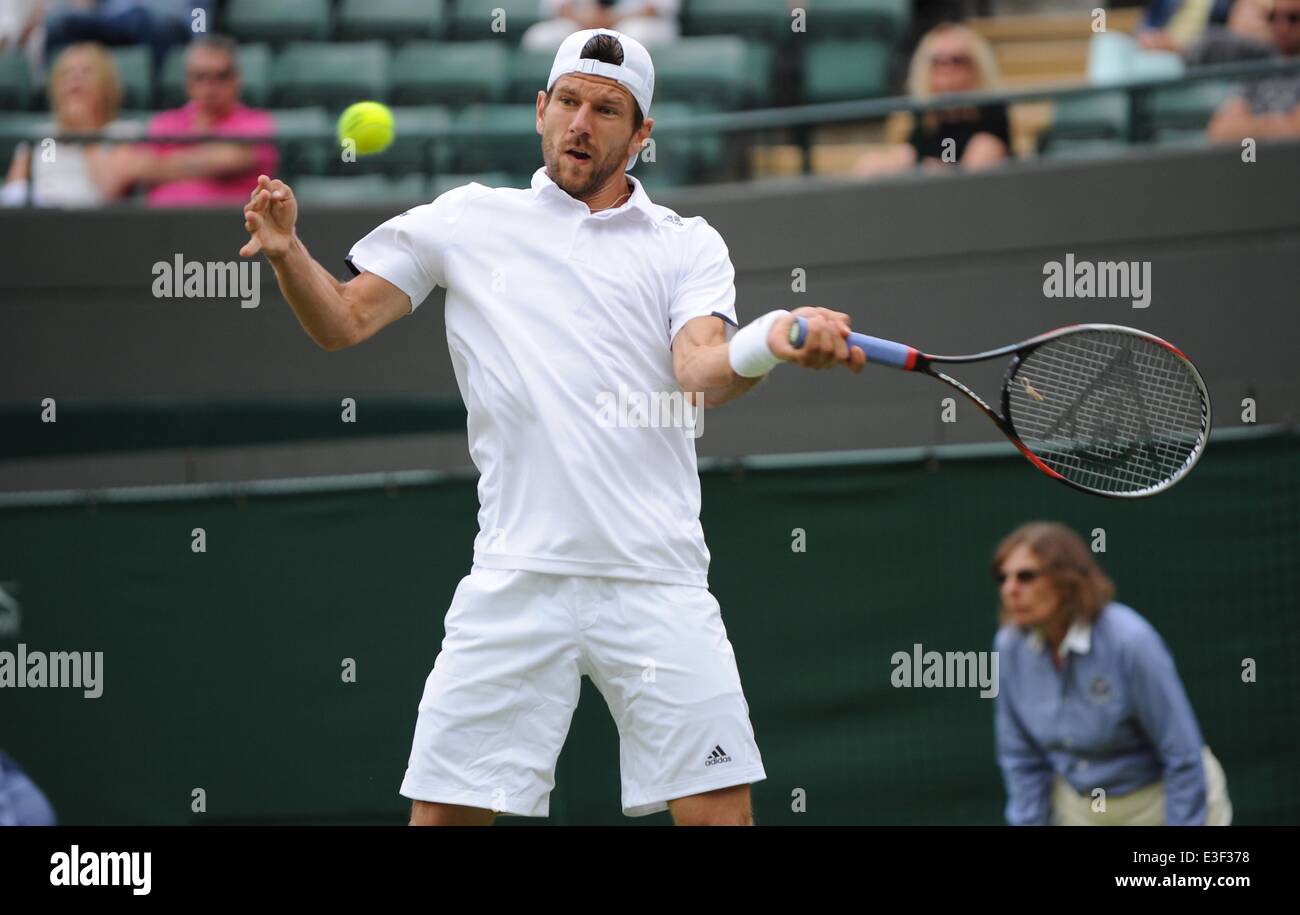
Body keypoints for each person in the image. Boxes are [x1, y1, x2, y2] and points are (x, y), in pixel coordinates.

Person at [239, 28, 866, 826]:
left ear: (641, 136)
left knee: (719, 816)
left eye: (607, 109)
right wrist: (289, 252)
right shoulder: (465, 220)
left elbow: (701, 370)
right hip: (515, 577)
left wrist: (770, 339)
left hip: (656, 578)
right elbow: (342, 322)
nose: (581, 121)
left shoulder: (687, 244)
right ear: (540, 110)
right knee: (444, 820)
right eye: (567, 100)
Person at [992, 522, 1231, 826]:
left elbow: (1182, 757)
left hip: (1164, 802)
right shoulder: (1009, 646)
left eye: (1026, 576)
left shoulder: (1130, 640)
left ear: (1068, 581)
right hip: (1082, 810)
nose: (1010, 589)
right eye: (1002, 577)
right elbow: (1021, 759)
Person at [855, 23, 1010, 178]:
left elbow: (977, 161)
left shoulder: (990, 109)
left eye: (957, 60)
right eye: (937, 61)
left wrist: (941, 169)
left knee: (984, 146)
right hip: (931, 190)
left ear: (976, 66)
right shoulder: (926, 113)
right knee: (874, 162)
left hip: (976, 193)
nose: (946, 69)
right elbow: (912, 153)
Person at [145, 34, 276, 207]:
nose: (209, 87)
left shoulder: (256, 123)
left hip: (232, 227)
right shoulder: (164, 122)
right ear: (188, 82)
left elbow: (232, 159)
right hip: (162, 226)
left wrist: (164, 166)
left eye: (220, 77)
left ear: (237, 79)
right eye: (200, 76)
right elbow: (141, 168)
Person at [1207, 0, 1300, 141]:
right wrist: (1280, 124)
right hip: (1254, 159)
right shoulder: (1259, 68)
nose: (1281, 26)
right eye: (1273, 17)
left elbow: (1296, 131)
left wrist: (1250, 126)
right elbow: (1220, 131)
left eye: (1293, 18)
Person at [522, 0, 679, 51]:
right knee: (539, 37)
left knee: (634, 37)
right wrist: (585, 17)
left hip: (637, 21)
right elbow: (559, 6)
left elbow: (657, 7)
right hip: (581, 21)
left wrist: (611, 18)